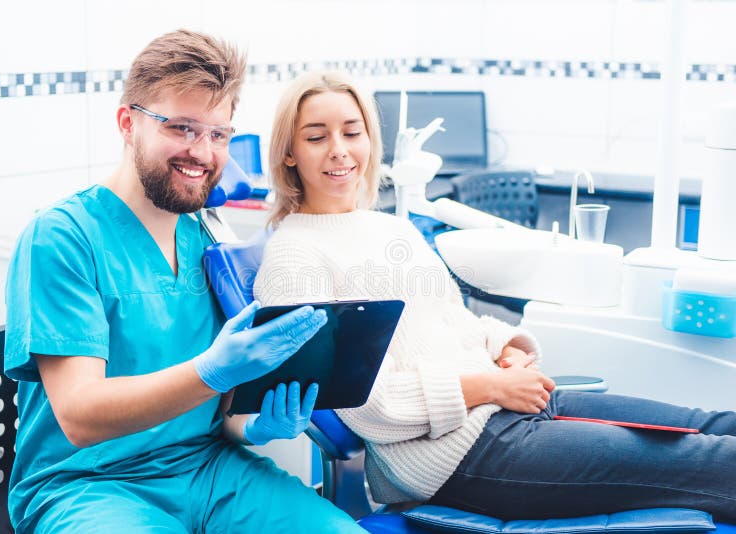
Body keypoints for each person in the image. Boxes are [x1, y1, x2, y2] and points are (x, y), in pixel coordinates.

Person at [253, 70, 736, 522]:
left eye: (351, 132)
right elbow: (366, 405)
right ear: (290, 153)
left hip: (505, 407)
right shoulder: (296, 257)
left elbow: (457, 325)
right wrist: (490, 388)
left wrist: (508, 352)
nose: (339, 150)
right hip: (452, 455)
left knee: (712, 424)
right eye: (317, 137)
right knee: (710, 462)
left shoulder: (389, 229)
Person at [4, 32, 366, 533]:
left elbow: (219, 412)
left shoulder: (207, 238)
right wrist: (210, 372)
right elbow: (80, 415)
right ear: (128, 123)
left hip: (207, 470)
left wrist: (255, 426)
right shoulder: (63, 238)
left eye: (218, 135)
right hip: (87, 486)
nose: (203, 152)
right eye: (182, 128)